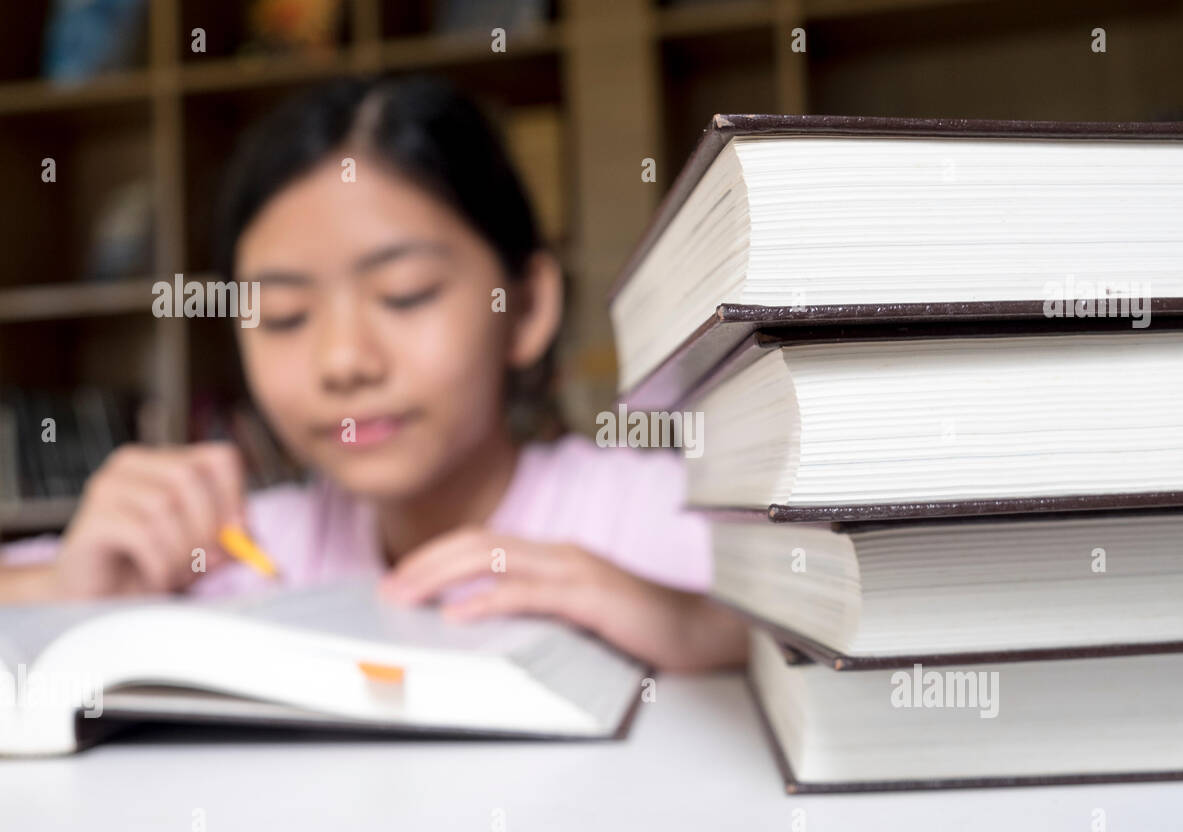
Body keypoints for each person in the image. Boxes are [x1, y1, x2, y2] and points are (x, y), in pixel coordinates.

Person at [0, 76, 747, 672]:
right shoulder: (246, 546)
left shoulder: (662, 510)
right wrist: (71, 587)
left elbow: (849, 609)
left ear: (525, 307)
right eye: (286, 315)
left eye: (405, 295)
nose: (344, 362)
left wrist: (698, 629)